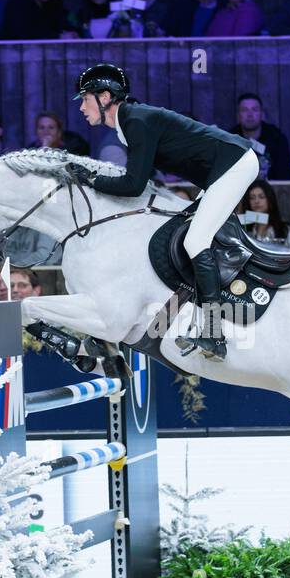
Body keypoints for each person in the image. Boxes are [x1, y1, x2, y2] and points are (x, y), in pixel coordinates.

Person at [67, 63, 258, 359]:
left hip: (234, 164)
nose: (81, 107)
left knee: (195, 241)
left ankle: (214, 334)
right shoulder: (131, 121)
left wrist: (90, 180)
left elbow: (133, 185)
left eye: (85, 99)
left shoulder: (136, 121)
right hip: (223, 169)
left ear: (105, 97)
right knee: (183, 236)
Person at [230, 94, 290, 181]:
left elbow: (284, 176)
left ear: (262, 114)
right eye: (244, 110)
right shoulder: (230, 140)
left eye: (254, 110)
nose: (250, 114)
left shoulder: (277, 139)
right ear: (238, 115)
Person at [239, 180, 290, 253]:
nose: (256, 201)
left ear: (270, 199)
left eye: (261, 197)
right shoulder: (244, 230)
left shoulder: (285, 229)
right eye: (252, 198)